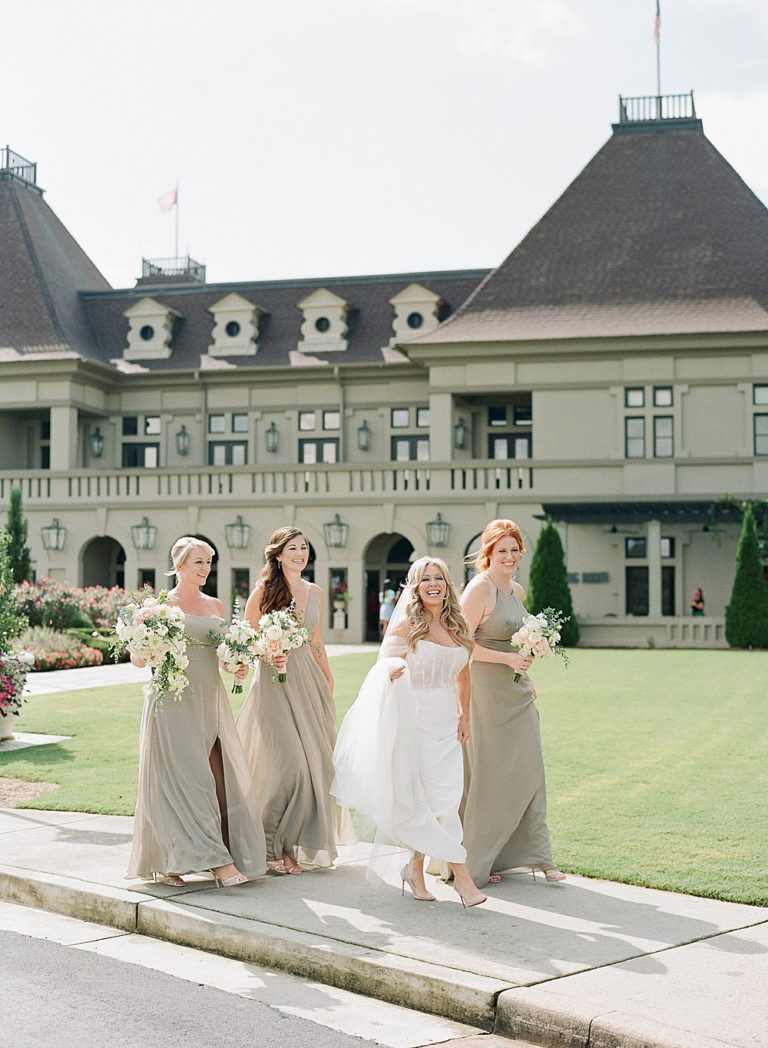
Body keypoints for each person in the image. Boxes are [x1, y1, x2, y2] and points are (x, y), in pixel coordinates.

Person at [333, 556, 486, 908]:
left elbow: (464, 674)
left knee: (441, 801)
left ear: (447, 585)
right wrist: (393, 668)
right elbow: (383, 665)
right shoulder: (407, 624)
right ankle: (464, 880)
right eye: (425, 579)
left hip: (447, 725)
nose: (433, 584)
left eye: (439, 578)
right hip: (415, 720)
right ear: (415, 587)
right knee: (434, 804)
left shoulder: (458, 625)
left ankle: (414, 870)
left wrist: (464, 715)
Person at [127, 537, 266, 887]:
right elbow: (138, 659)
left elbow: (220, 657)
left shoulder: (215, 605)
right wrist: (144, 642)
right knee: (185, 779)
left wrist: (235, 665)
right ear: (179, 565)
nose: (205, 568)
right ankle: (217, 862)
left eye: (208, 562)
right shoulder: (158, 608)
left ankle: (174, 861)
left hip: (208, 700)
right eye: (198, 562)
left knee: (213, 777)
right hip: (171, 700)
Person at [237, 526, 352, 874]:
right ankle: (268, 843)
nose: (300, 554)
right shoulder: (262, 592)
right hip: (272, 684)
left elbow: (316, 641)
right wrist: (269, 651)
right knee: (291, 767)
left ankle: (289, 847)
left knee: (316, 766)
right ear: (278, 554)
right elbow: (246, 640)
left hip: (309, 683)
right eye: (293, 548)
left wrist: (327, 678)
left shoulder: (315, 591)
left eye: (303, 548)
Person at [459, 519, 565, 888]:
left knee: (530, 768)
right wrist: (506, 659)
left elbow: (519, 640)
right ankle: (479, 860)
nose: (509, 556)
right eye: (501, 550)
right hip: (485, 693)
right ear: (488, 553)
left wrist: (529, 662)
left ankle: (541, 856)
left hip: (516, 691)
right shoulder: (480, 588)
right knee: (491, 775)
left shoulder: (516, 590)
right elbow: (461, 643)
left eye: (514, 550)